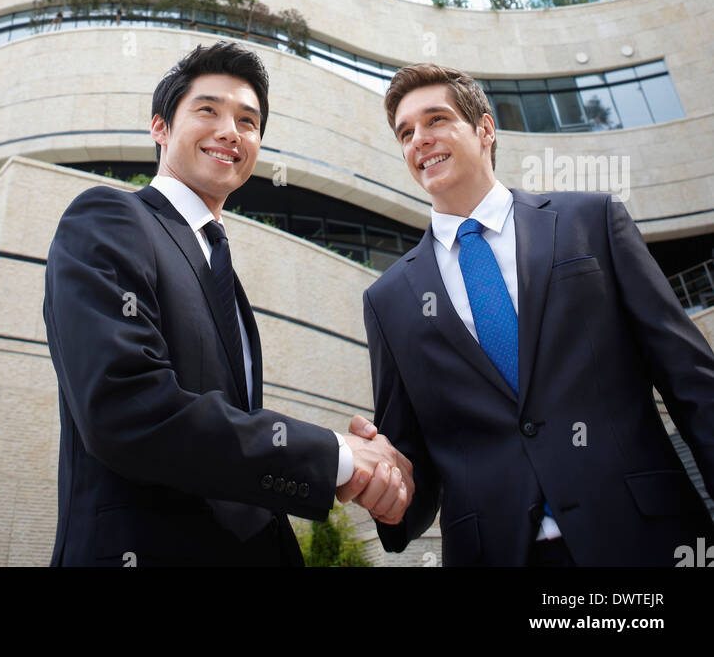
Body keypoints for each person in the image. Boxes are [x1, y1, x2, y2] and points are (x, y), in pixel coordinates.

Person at [43, 40, 412, 567]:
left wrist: (352, 465)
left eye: (248, 121)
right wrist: (336, 456)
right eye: (208, 110)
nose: (230, 132)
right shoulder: (109, 218)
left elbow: (226, 437)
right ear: (160, 127)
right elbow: (125, 406)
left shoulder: (221, 270)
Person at [360, 61, 714, 567]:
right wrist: (381, 482)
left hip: (647, 539)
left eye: (436, 120)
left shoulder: (592, 222)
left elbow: (693, 382)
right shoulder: (387, 299)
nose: (420, 138)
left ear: (485, 128)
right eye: (406, 132)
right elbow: (412, 472)